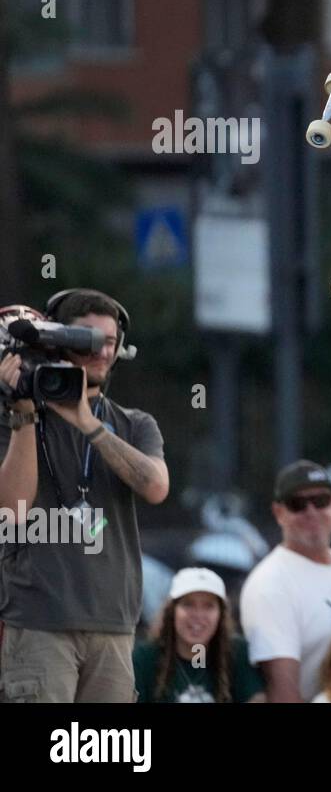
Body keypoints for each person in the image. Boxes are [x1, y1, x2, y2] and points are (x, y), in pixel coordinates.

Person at [0, 289, 169, 703]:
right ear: (56, 342)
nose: (101, 351)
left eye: (110, 342)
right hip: (39, 622)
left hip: (114, 625)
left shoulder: (133, 424)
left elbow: (155, 487)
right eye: (87, 340)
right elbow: (13, 509)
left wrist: (86, 421)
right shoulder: (13, 417)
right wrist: (24, 412)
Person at [240, 460, 331, 702]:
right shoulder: (269, 584)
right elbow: (283, 693)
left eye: (320, 501)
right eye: (297, 504)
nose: (311, 512)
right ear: (279, 512)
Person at [133, 567, 264, 703]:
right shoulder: (145, 658)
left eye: (208, 606)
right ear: (172, 611)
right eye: (188, 604)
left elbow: (256, 699)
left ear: (221, 614)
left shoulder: (237, 653)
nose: (198, 615)